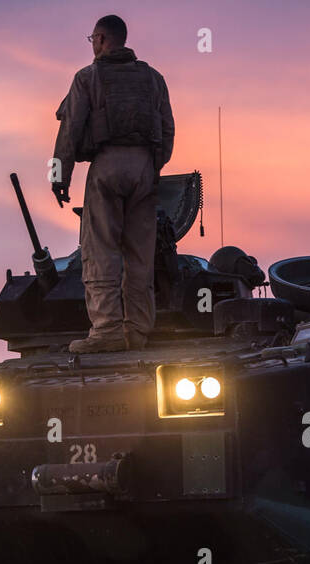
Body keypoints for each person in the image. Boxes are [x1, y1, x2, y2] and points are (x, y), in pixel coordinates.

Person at [52, 14, 175, 353]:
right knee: (140, 254)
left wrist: (59, 176)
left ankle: (106, 331)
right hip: (144, 168)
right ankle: (136, 331)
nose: (92, 44)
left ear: (103, 39)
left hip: (106, 167)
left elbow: (70, 131)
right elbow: (167, 129)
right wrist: (152, 167)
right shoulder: (153, 79)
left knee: (101, 250)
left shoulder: (87, 78)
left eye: (92, 38)